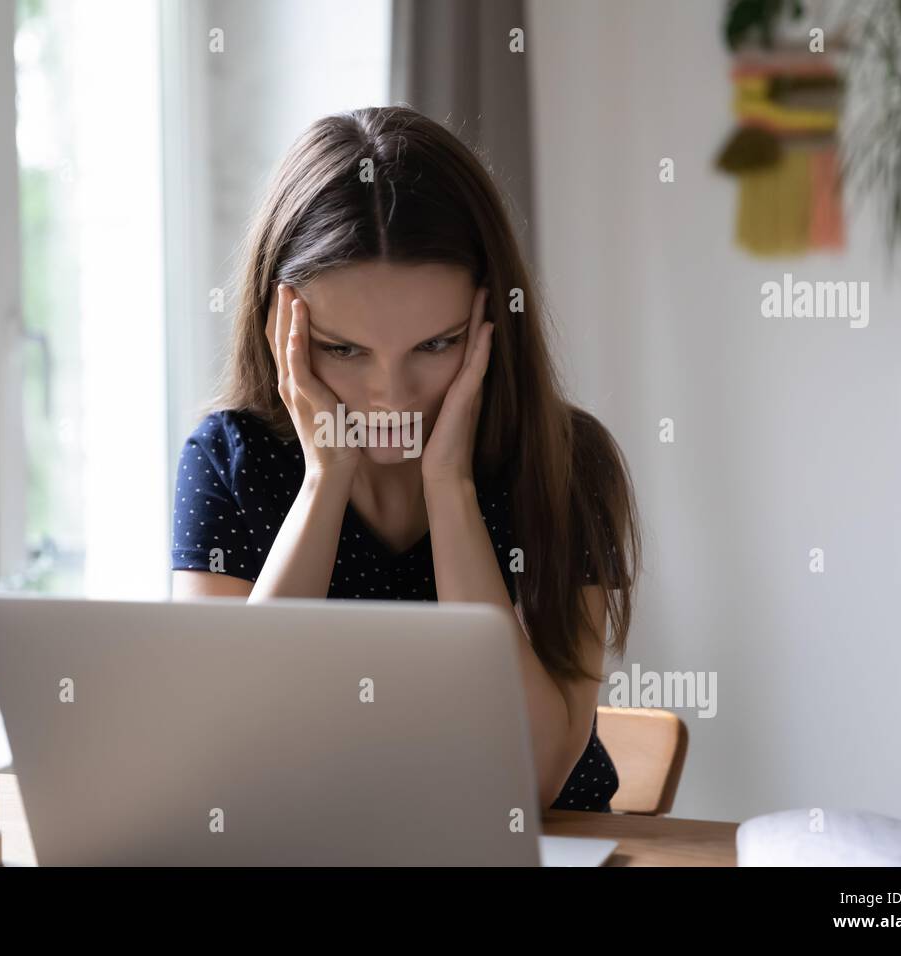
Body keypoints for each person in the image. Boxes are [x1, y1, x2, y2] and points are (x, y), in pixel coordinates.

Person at [171, 105, 641, 813]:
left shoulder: (566, 465)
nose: (391, 396)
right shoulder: (229, 462)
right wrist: (326, 480)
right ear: (281, 332)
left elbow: (533, 775)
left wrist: (449, 488)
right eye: (343, 350)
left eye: (435, 345)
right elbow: (222, 754)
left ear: (492, 322)